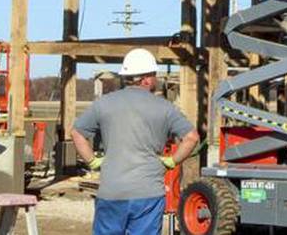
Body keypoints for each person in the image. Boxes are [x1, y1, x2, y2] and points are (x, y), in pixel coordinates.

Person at [72, 49, 201, 235]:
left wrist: (92, 161)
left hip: (112, 192)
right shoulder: (165, 107)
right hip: (148, 193)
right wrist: (172, 161)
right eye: (154, 75)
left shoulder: (104, 103)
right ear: (146, 79)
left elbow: (77, 133)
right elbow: (192, 137)